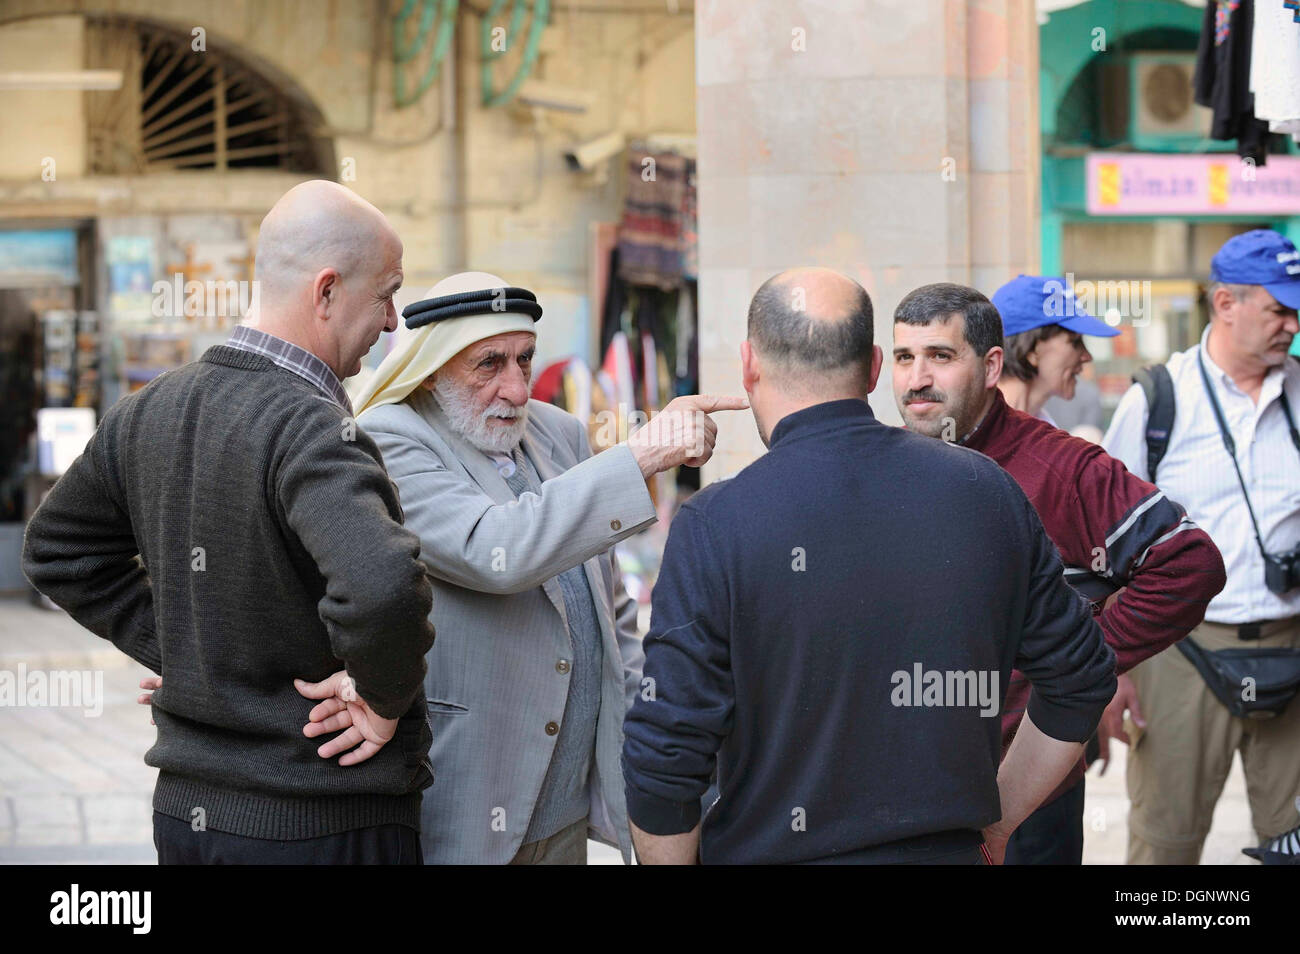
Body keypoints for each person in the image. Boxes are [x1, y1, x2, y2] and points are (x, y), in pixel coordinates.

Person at [621, 267, 1117, 865]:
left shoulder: (715, 523)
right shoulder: (987, 490)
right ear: (878, 366)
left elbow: (665, 754)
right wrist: (995, 822)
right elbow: (1083, 677)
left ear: (749, 364)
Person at [22, 180, 436, 864]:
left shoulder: (146, 409)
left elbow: (55, 552)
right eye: (386, 293)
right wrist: (382, 698)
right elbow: (384, 584)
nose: (393, 321)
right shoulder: (312, 426)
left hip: (189, 821)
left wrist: (191, 650)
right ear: (325, 291)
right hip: (322, 825)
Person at [345, 271, 744, 864]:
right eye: (489, 365)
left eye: (525, 360)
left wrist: (657, 737)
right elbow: (495, 549)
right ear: (430, 369)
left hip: (564, 810)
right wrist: (642, 455)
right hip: (467, 800)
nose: (516, 388)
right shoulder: (390, 440)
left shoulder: (557, 432)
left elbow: (610, 611)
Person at [891, 281, 1226, 865]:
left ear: (993, 364)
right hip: (907, 789)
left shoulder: (1064, 466)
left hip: (1029, 789)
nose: (918, 378)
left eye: (940, 357)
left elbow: (1189, 563)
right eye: (904, 358)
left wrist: (1085, 661)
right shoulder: (882, 464)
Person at [1104, 228, 1300, 865]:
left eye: (1296, 309)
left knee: (1292, 841)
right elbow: (1098, 548)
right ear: (1225, 304)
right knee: (1166, 845)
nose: (1291, 324)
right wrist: (1115, 670)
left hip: (1290, 644)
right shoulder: (1157, 400)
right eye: (1278, 309)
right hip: (1179, 653)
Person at [992, 274, 1119, 427]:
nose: (1087, 356)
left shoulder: (1044, 433)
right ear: (1032, 349)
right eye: (1075, 341)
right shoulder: (971, 433)